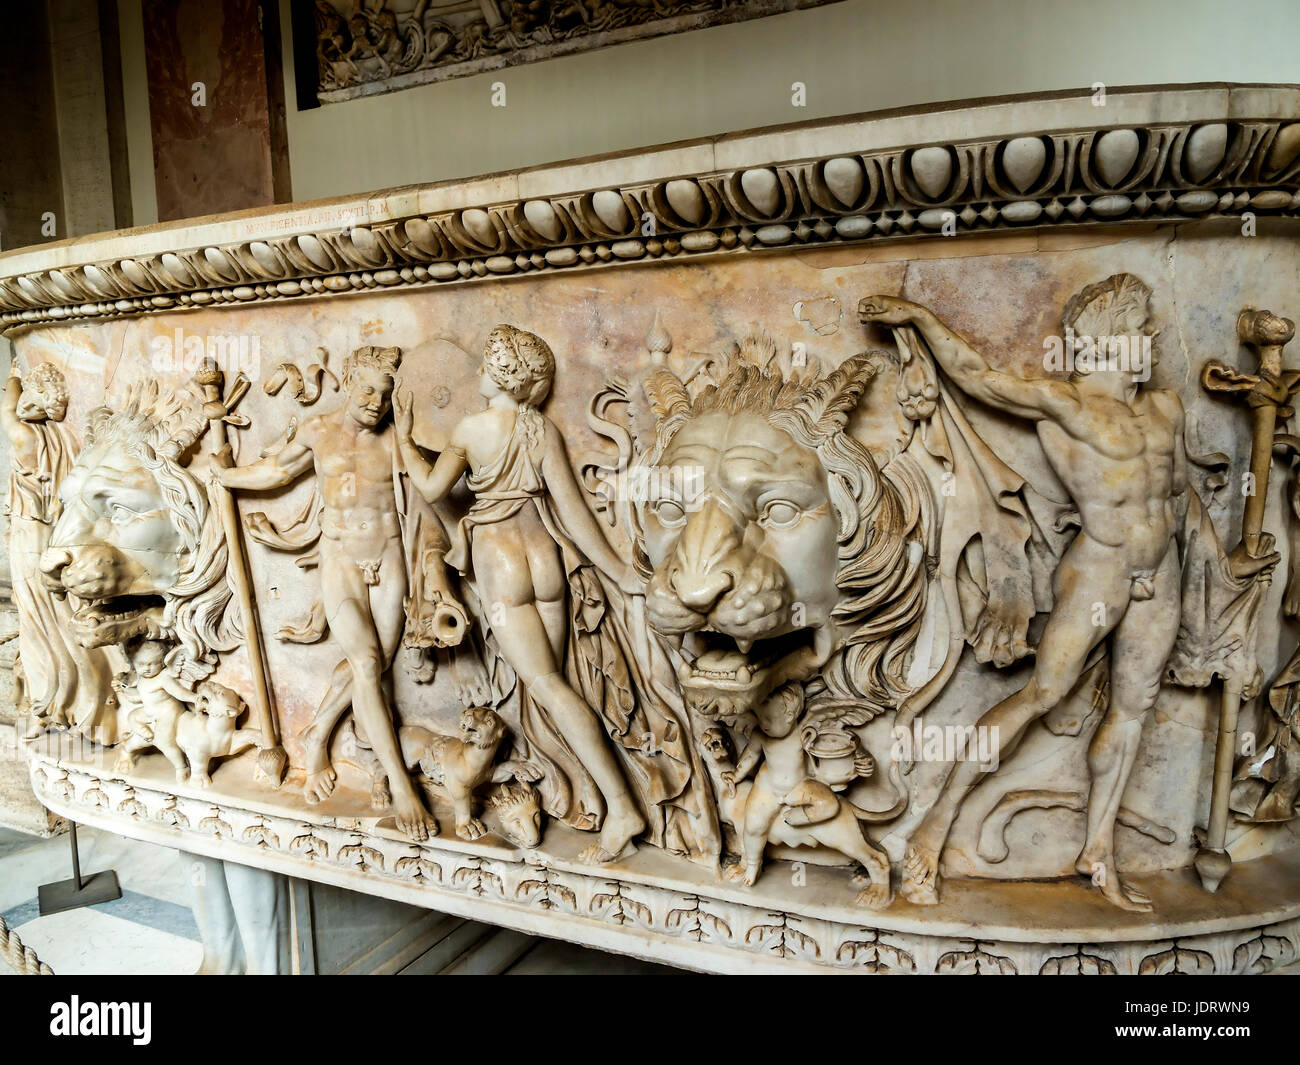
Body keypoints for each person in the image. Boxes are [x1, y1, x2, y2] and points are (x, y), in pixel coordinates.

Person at [860, 275, 1275, 911]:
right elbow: (977, 376)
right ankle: (932, 829)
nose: (1153, 340)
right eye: (1141, 330)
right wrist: (916, 314)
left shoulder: (1166, 408)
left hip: (1157, 578)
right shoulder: (1065, 405)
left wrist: (1224, 563)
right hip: (1100, 574)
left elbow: (1177, 497)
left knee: (1132, 711)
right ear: (1109, 341)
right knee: (1042, 694)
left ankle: (1098, 851)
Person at [393, 324, 648, 862]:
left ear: (501, 374)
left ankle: (622, 808)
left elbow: (433, 488)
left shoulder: (471, 428)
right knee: (557, 688)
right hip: (546, 562)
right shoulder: (541, 431)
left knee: (551, 688)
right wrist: (619, 571)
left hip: (501, 563)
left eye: (485, 365)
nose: (478, 373)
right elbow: (575, 516)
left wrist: (403, 439)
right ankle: (587, 792)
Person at [216, 346, 437, 840]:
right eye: (365, 389)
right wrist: (226, 475)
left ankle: (317, 733)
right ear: (347, 382)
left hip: (390, 559)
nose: (374, 402)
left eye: (384, 393)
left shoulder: (397, 437)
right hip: (341, 560)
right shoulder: (319, 431)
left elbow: (432, 485)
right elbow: (276, 473)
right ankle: (400, 783)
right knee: (364, 663)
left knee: (374, 667)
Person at [2, 362, 115, 740]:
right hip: (56, 534)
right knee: (59, 617)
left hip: (29, 538)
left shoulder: (25, 440)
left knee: (38, 623)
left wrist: (13, 376)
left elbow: (7, 409)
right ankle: (83, 704)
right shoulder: (62, 442)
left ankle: (50, 706)